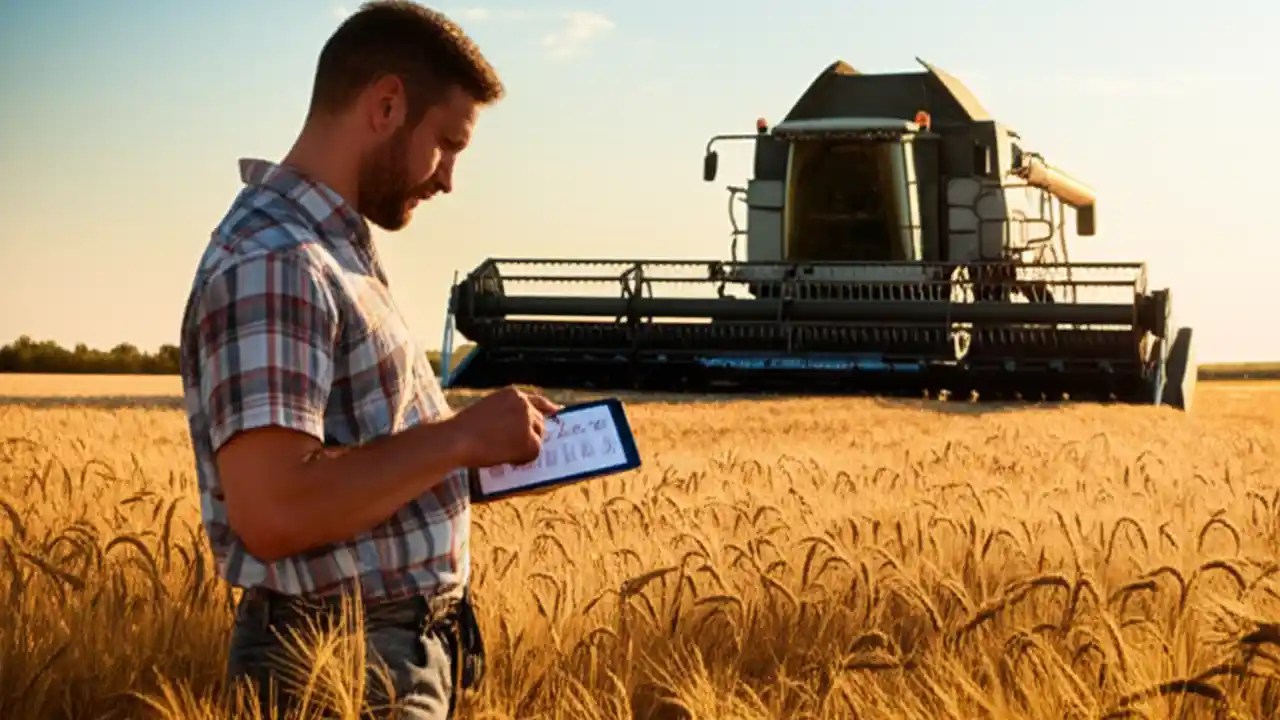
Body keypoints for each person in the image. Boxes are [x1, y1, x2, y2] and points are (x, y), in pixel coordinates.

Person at [176, 2, 560, 717]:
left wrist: (471, 459)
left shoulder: (331, 251)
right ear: (386, 105)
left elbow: (361, 464)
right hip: (342, 666)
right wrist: (459, 437)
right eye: (447, 143)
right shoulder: (278, 262)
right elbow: (275, 509)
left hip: (381, 654)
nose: (448, 179)